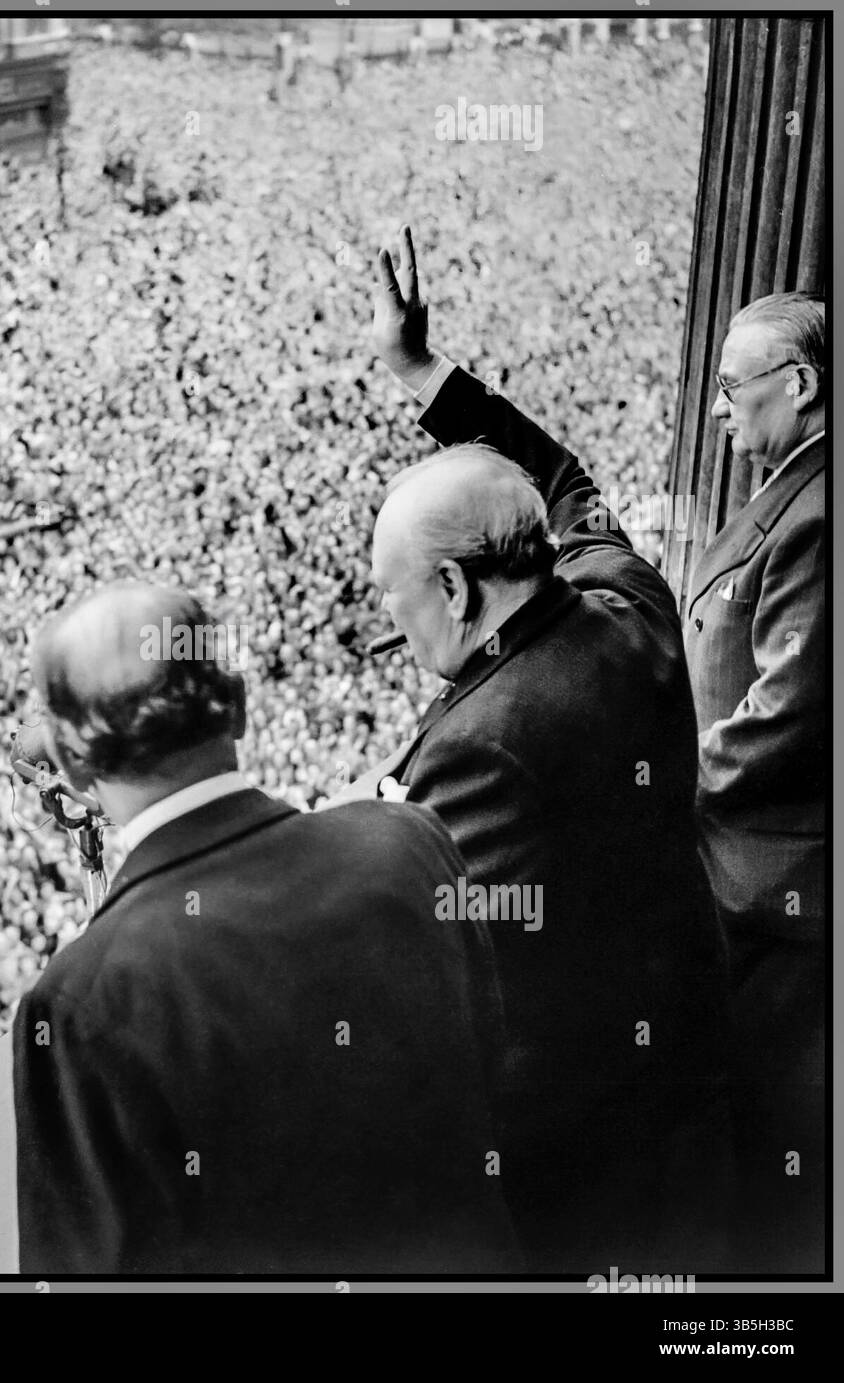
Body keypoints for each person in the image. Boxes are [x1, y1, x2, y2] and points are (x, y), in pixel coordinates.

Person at [337, 224, 732, 1273]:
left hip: (579, 1124)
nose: (397, 622)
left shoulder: (477, 746)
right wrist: (422, 372)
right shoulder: (624, 592)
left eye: (397, 598)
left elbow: (440, 945)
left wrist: (368, 819)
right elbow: (565, 479)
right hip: (692, 1015)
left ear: (457, 588)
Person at [12, 581, 520, 1274]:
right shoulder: (407, 841)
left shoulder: (82, 1000)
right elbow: (493, 1064)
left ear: (73, 766)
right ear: (243, 706)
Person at [690, 292, 825, 1272]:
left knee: (781, 1156)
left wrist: (654, 791)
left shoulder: (818, 513)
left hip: (777, 894)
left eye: (733, 386)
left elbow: (785, 717)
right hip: (750, 881)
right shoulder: (791, 488)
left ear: (802, 386)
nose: (717, 406)